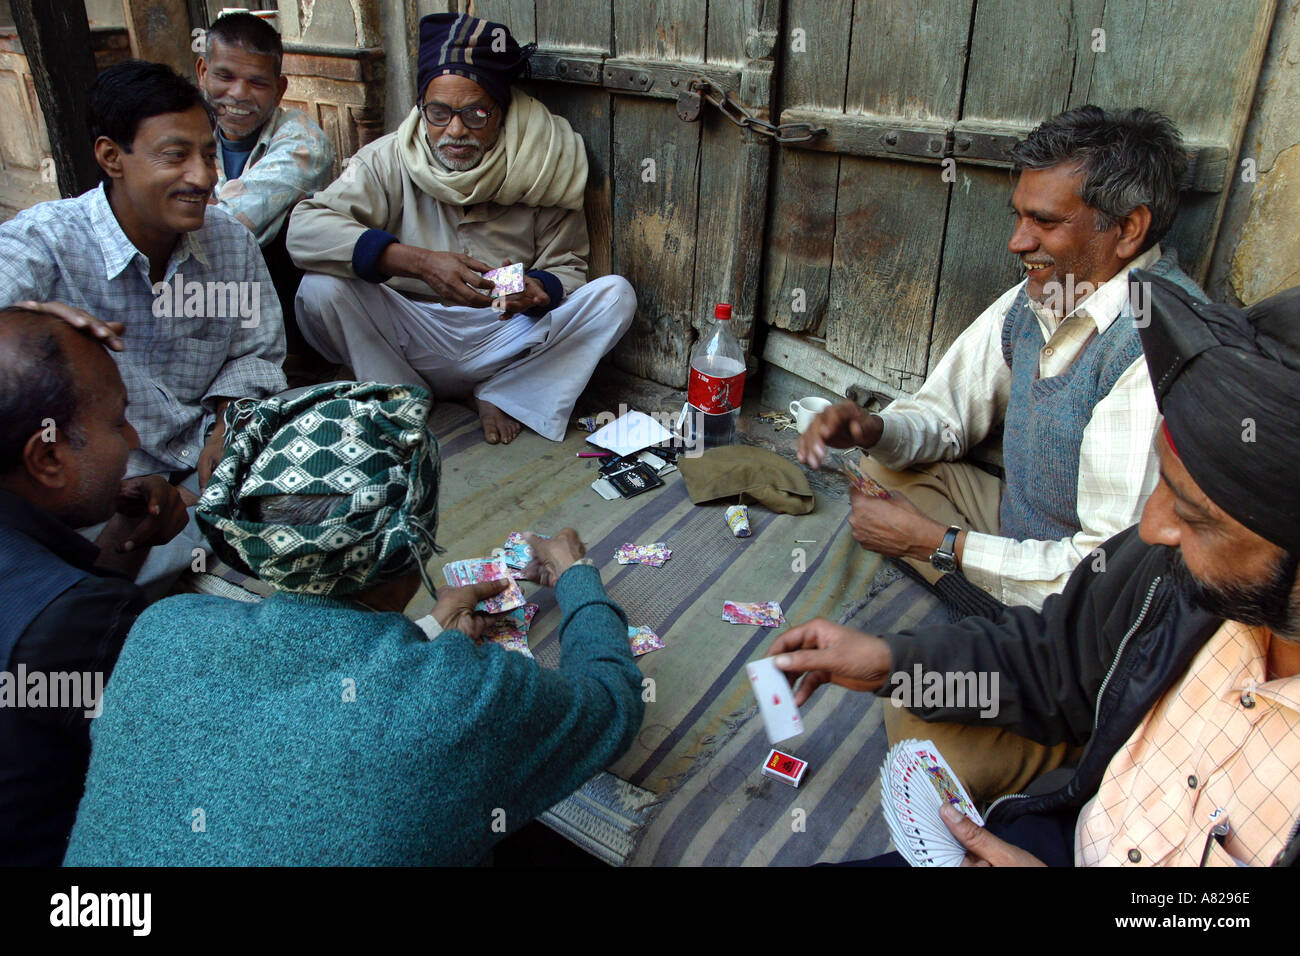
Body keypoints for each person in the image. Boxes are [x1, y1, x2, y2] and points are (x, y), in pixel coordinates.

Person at [772, 276, 1300, 867]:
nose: (1152, 529)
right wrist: (889, 663)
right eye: (1167, 488)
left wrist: (939, 544)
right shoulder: (1168, 578)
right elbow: (1057, 660)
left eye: (1195, 517)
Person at [63, 381, 645, 866]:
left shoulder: (163, 630)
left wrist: (422, 638)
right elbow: (613, 704)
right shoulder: (462, 695)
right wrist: (576, 576)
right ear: (415, 541)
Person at [799, 106, 1203, 612]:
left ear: (1127, 230)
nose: (1018, 241)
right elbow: (945, 418)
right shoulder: (1042, 295)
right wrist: (872, 430)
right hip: (1019, 527)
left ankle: (1005, 628)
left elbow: (1109, 567)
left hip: (1088, 585)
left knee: (938, 648)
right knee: (880, 473)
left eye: (1045, 221)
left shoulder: (1152, 345)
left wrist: (936, 544)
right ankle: (988, 600)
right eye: (1019, 215)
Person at [0, 60, 287, 595]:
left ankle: (177, 566)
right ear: (112, 157)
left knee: (336, 485)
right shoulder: (46, 244)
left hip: (206, 467)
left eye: (208, 154)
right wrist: (34, 314)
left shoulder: (229, 241)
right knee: (60, 559)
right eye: (175, 156)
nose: (203, 178)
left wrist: (229, 425)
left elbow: (257, 355)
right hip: (104, 492)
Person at [288, 12, 635, 445]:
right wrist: (418, 263)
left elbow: (568, 267)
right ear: (422, 109)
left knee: (615, 296)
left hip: (500, 330)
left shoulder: (544, 162)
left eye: (475, 113)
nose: (455, 130)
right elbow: (304, 230)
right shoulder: (388, 159)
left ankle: (504, 392)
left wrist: (533, 289)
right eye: (439, 112)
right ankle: (399, 393)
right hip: (408, 327)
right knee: (320, 288)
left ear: (501, 110)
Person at [0, 306, 189, 866]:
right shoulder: (75, 621)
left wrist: (125, 537)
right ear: (49, 457)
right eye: (117, 421)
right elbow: (198, 747)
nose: (132, 437)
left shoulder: (66, 614)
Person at [196, 11, 334, 355]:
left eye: (256, 82)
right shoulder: (191, 129)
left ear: (279, 89)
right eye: (224, 76)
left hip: (276, 311)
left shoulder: (304, 143)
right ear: (202, 73)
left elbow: (227, 227)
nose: (238, 94)